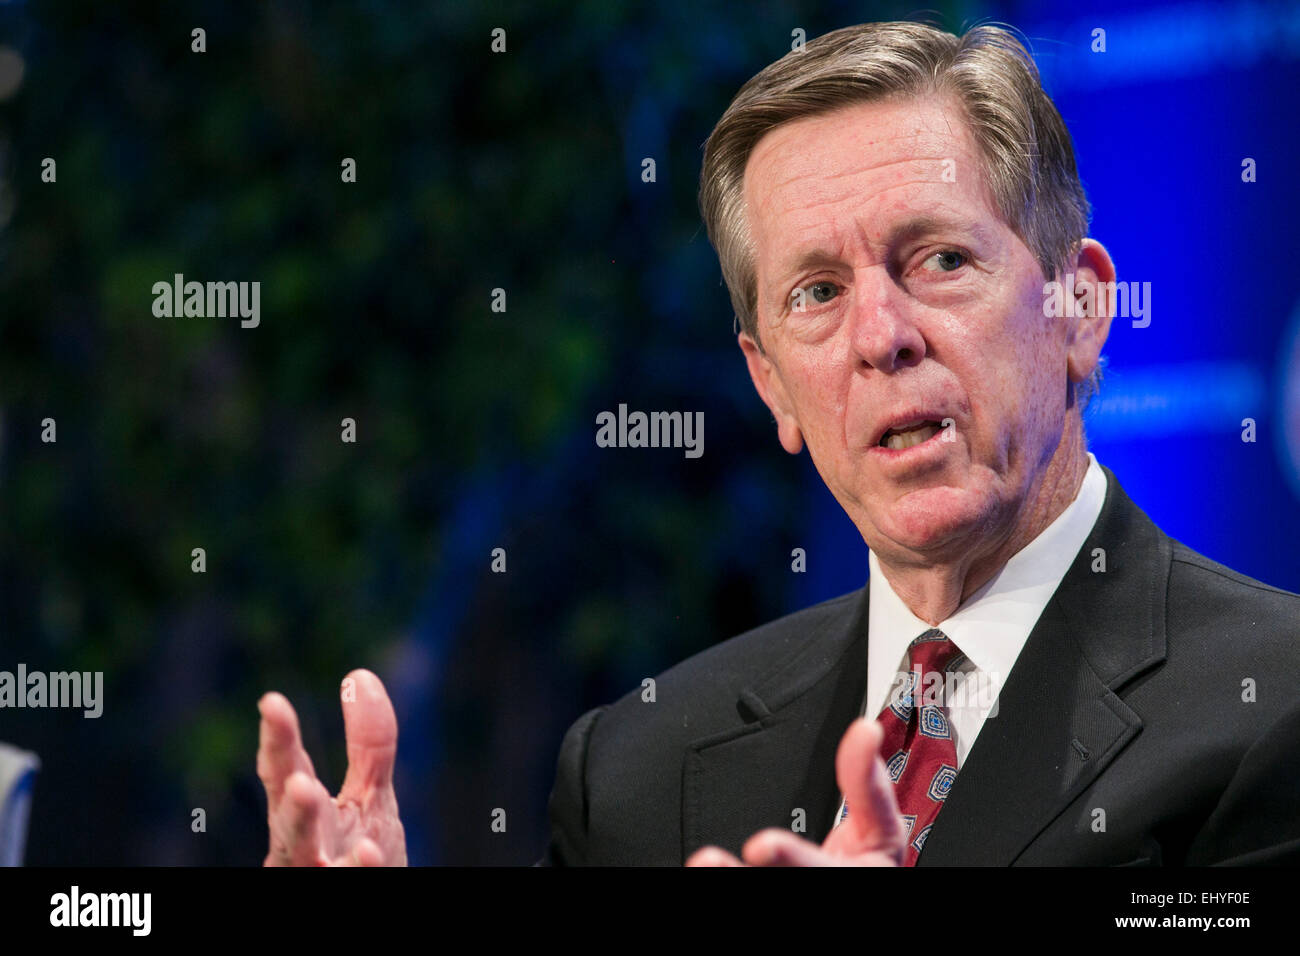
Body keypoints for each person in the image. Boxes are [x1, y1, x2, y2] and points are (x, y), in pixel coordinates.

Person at [254, 21, 1300, 868]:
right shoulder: (637, 772)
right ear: (772, 385)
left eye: (936, 259)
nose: (880, 336)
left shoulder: (1273, 708)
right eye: (816, 292)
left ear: (1078, 308)